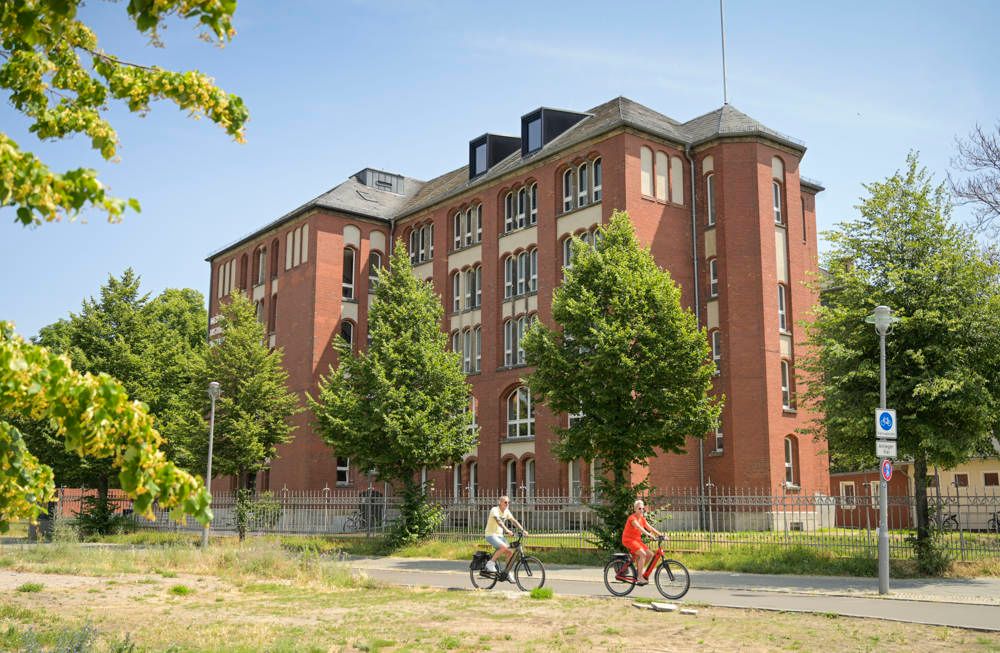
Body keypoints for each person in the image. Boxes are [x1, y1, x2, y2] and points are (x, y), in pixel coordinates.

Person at [621, 498, 663, 585]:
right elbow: (639, 528)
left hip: (637, 540)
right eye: (639, 508)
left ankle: (638, 571)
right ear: (635, 509)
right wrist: (649, 534)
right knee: (643, 554)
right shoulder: (632, 518)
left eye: (642, 508)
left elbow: (650, 527)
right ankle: (640, 577)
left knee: (650, 554)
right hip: (628, 540)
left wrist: (660, 535)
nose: (641, 510)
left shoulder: (642, 519)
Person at [483, 495, 527, 575]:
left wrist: (523, 530)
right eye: (505, 502)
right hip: (490, 535)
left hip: (499, 536)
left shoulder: (506, 511)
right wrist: (507, 530)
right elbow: (499, 521)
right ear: (500, 503)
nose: (507, 504)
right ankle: (490, 563)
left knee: (510, 552)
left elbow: (514, 521)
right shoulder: (495, 510)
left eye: (508, 502)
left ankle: (506, 572)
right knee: (504, 547)